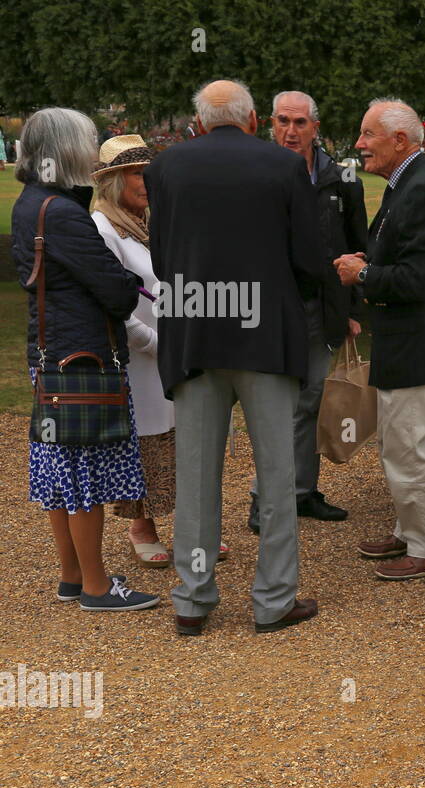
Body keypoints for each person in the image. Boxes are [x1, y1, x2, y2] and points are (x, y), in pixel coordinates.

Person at [146, 79, 327, 635]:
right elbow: (308, 259)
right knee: (276, 475)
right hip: (264, 337)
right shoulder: (283, 167)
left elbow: (160, 256)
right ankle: (273, 600)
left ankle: (192, 599)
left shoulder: (165, 168)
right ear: (252, 120)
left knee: (197, 475)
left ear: (199, 123)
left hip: (194, 334)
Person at [11, 108, 160, 612]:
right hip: (82, 360)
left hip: (52, 354)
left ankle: (73, 576)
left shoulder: (31, 203)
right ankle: (96, 588)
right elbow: (116, 292)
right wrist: (127, 286)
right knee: (85, 477)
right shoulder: (62, 211)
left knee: (61, 475)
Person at [334, 99, 425, 581]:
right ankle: (412, 526)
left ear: (400, 140)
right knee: (401, 442)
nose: (359, 144)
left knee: (407, 445)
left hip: (419, 343)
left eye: (367, 134)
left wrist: (364, 274)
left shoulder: (423, 190)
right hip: (412, 341)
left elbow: (418, 279)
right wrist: (371, 261)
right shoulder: (410, 183)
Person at [91, 134, 226, 570]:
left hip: (179, 349)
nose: (146, 181)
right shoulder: (102, 227)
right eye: (135, 173)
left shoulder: (155, 220)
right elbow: (110, 302)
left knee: (187, 439)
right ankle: (141, 528)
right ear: (113, 180)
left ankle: (195, 530)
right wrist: (152, 343)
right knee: (148, 444)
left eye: (149, 172)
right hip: (141, 357)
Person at [247, 90, 366, 535]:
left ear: (316, 127)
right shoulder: (256, 172)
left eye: (300, 122)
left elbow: (358, 244)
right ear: (270, 125)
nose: (291, 131)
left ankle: (302, 492)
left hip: (323, 306)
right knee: (273, 405)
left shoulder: (343, 176)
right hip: (272, 309)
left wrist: (353, 308)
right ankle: (264, 498)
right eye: (282, 121)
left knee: (312, 401)